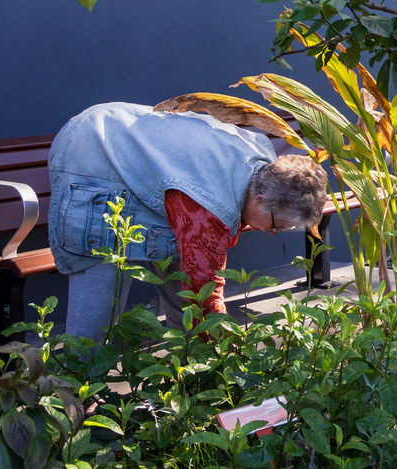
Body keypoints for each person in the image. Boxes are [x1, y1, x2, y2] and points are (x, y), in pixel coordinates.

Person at [48, 101, 328, 340]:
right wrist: (227, 362)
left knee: (179, 271)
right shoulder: (208, 207)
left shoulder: (263, 168)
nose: (272, 233)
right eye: (277, 225)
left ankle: (187, 375)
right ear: (260, 199)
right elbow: (204, 293)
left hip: (122, 139)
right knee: (97, 317)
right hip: (92, 153)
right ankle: (72, 393)